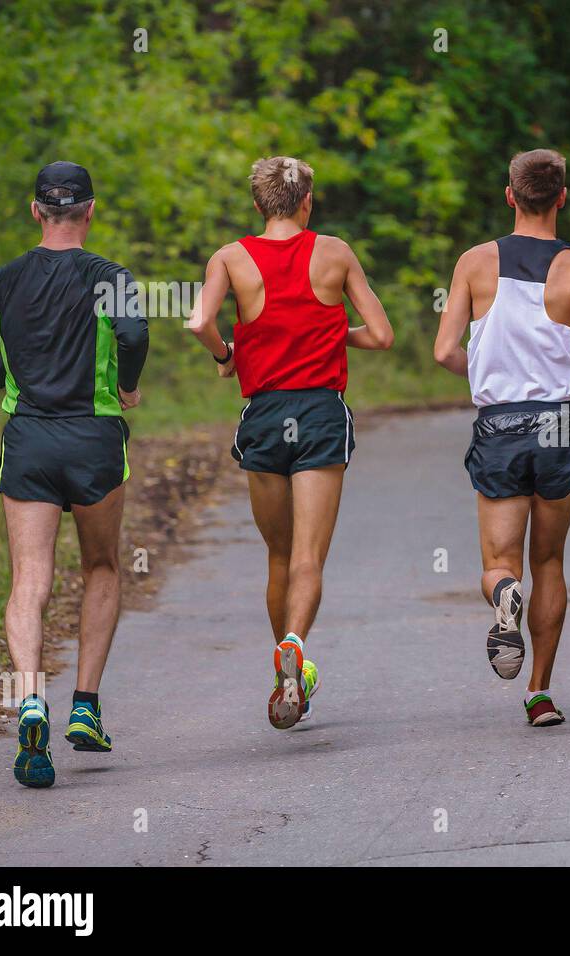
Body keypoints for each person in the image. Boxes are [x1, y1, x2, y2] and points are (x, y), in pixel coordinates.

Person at [0, 161, 148, 788]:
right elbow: (136, 333)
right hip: (93, 440)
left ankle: (30, 702)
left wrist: (10, 377)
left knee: (28, 581)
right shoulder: (112, 277)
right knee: (102, 567)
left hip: (29, 441)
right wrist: (127, 382)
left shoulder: (2, 281)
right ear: (90, 211)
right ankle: (84, 706)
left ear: (36, 211)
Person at [188, 156, 393, 730]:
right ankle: (296, 646)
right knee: (309, 556)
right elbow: (381, 334)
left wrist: (227, 355)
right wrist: (331, 330)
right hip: (321, 413)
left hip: (264, 414)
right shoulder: (335, 252)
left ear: (259, 205)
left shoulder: (230, 257)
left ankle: (286, 658)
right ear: (307, 201)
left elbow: (199, 321)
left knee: (278, 554)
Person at [434, 149, 570, 727]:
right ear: (562, 197)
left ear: (510, 195)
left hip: (501, 424)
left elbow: (442, 351)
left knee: (500, 562)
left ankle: (504, 593)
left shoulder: (474, 263)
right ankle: (539, 692)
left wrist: (485, 371)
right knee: (551, 560)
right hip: (558, 422)